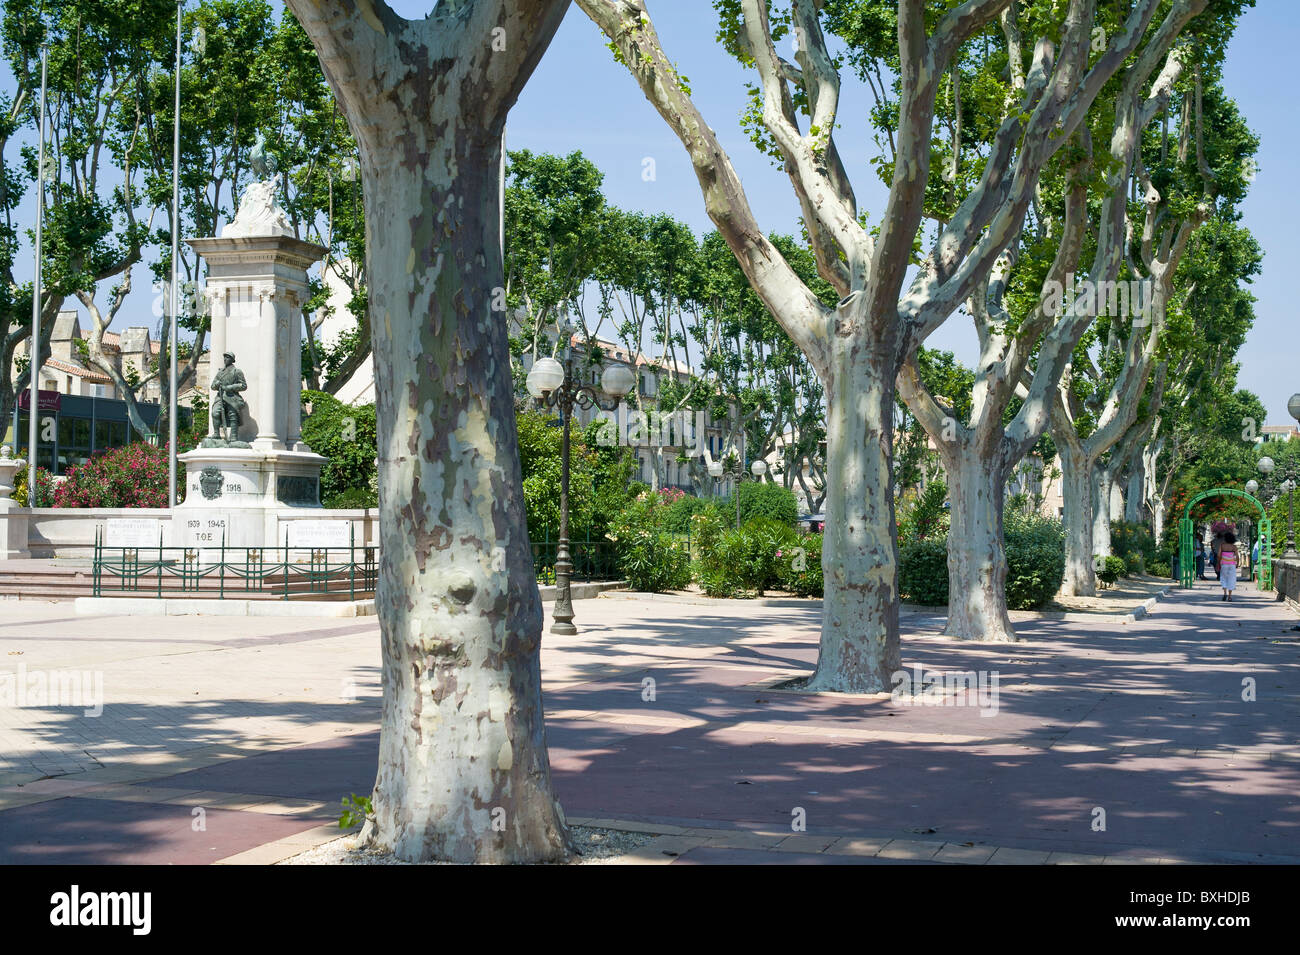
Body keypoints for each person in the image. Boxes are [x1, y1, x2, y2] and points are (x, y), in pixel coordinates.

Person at [1218, 532, 1239, 601]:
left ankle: (1224, 593)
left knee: (1223, 578)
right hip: (1232, 565)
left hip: (1224, 564)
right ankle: (1230, 596)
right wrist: (1237, 563)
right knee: (1231, 579)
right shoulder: (1234, 547)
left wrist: (1218, 563)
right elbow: (1237, 556)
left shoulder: (1222, 546)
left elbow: (1219, 555)